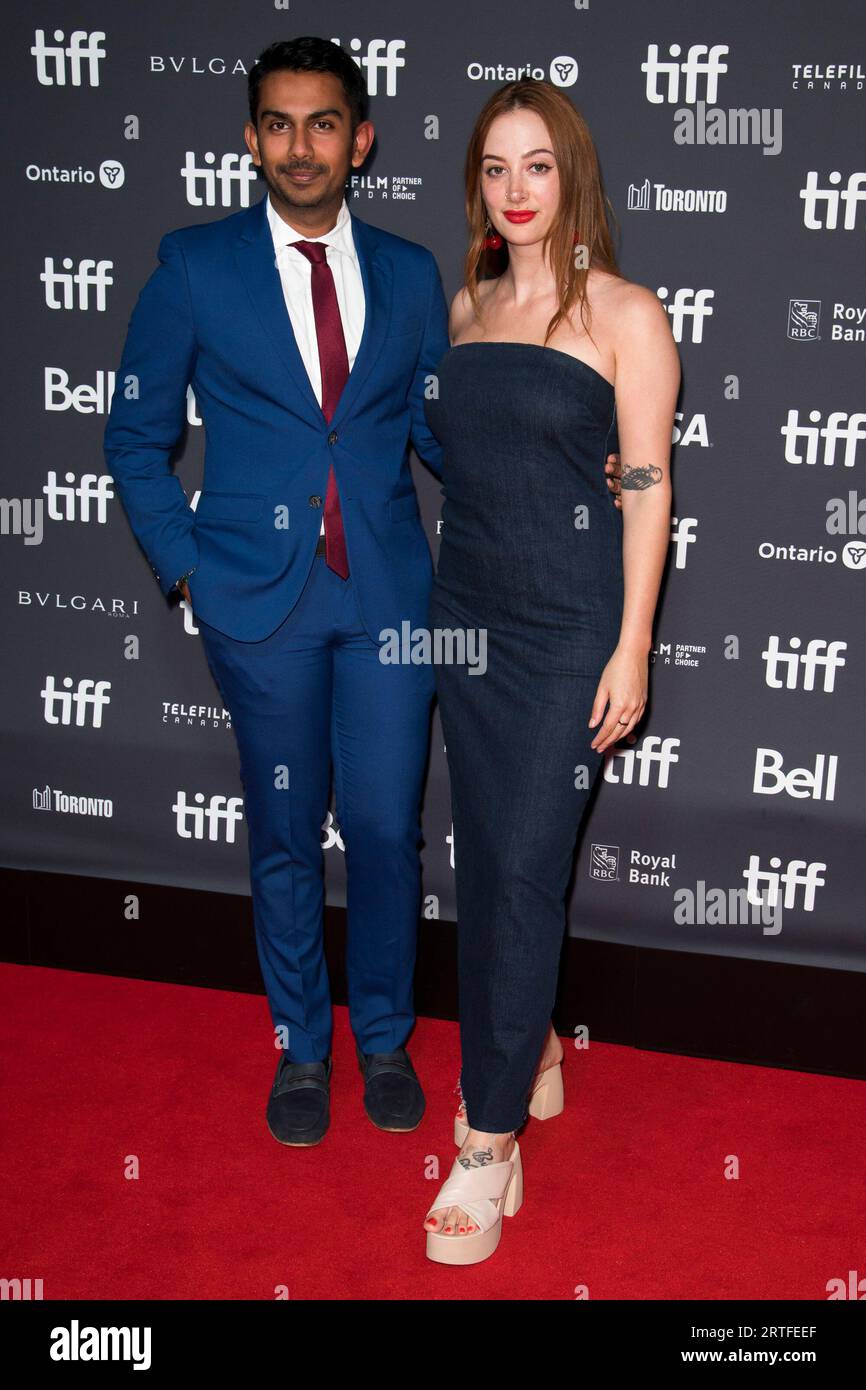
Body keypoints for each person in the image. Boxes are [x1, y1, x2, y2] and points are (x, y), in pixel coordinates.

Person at [103, 39, 625, 1152]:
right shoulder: (192, 266)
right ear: (251, 139)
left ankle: (383, 1036)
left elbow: (443, 429)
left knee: (388, 828)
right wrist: (187, 572)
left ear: (361, 139)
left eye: (324, 123)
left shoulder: (404, 275)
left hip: (390, 600)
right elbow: (136, 439)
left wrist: (551, 477)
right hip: (259, 602)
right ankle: (302, 1044)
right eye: (279, 125)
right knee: (287, 833)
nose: (302, 146)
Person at [422, 78, 679, 1265]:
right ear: (474, 184)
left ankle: (484, 1145)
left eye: (536, 166)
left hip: (568, 629)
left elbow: (643, 490)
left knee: (523, 869)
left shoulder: (624, 312)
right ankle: (528, 1052)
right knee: (489, 864)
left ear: (570, 176)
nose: (515, 190)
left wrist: (630, 642)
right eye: (493, 168)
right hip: (463, 620)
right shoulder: (465, 310)